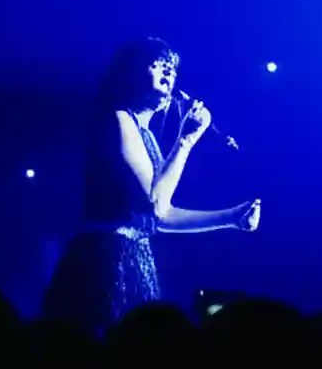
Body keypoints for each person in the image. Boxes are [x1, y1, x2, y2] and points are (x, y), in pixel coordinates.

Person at [44, 37, 261, 336]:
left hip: (131, 256)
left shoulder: (144, 133)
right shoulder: (118, 119)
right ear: (130, 73)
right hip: (106, 261)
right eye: (157, 65)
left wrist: (231, 217)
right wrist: (186, 140)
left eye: (171, 68)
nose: (168, 73)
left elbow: (160, 216)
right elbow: (156, 204)